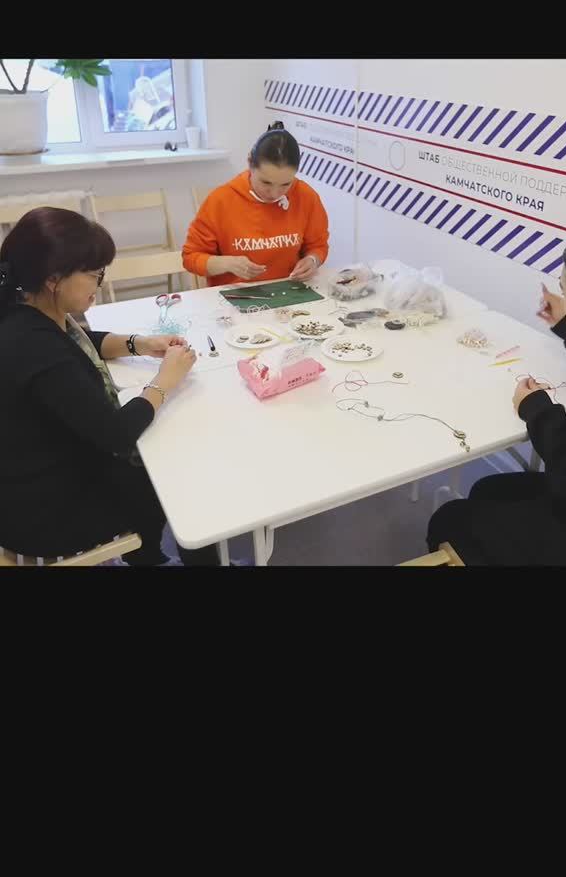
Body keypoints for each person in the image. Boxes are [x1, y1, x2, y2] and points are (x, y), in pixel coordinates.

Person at [0, 206, 220, 566]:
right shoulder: (34, 344)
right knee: (177, 475)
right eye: (94, 274)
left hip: (34, 474)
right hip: (45, 513)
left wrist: (139, 343)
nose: (99, 284)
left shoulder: (23, 304)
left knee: (159, 463)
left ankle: (148, 555)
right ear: (54, 279)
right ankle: (162, 560)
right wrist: (164, 381)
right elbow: (117, 434)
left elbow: (77, 339)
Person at [427, 229, 566, 566]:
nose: (562, 298)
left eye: (565, 291)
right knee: (488, 491)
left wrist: (538, 411)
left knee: (450, 519)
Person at [182, 122, 329, 287]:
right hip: (235, 294)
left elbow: (318, 246)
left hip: (289, 291)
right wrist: (227, 263)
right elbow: (190, 258)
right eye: (266, 182)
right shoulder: (220, 201)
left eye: (285, 184)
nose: (274, 193)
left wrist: (313, 260)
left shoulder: (306, 197)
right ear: (250, 163)